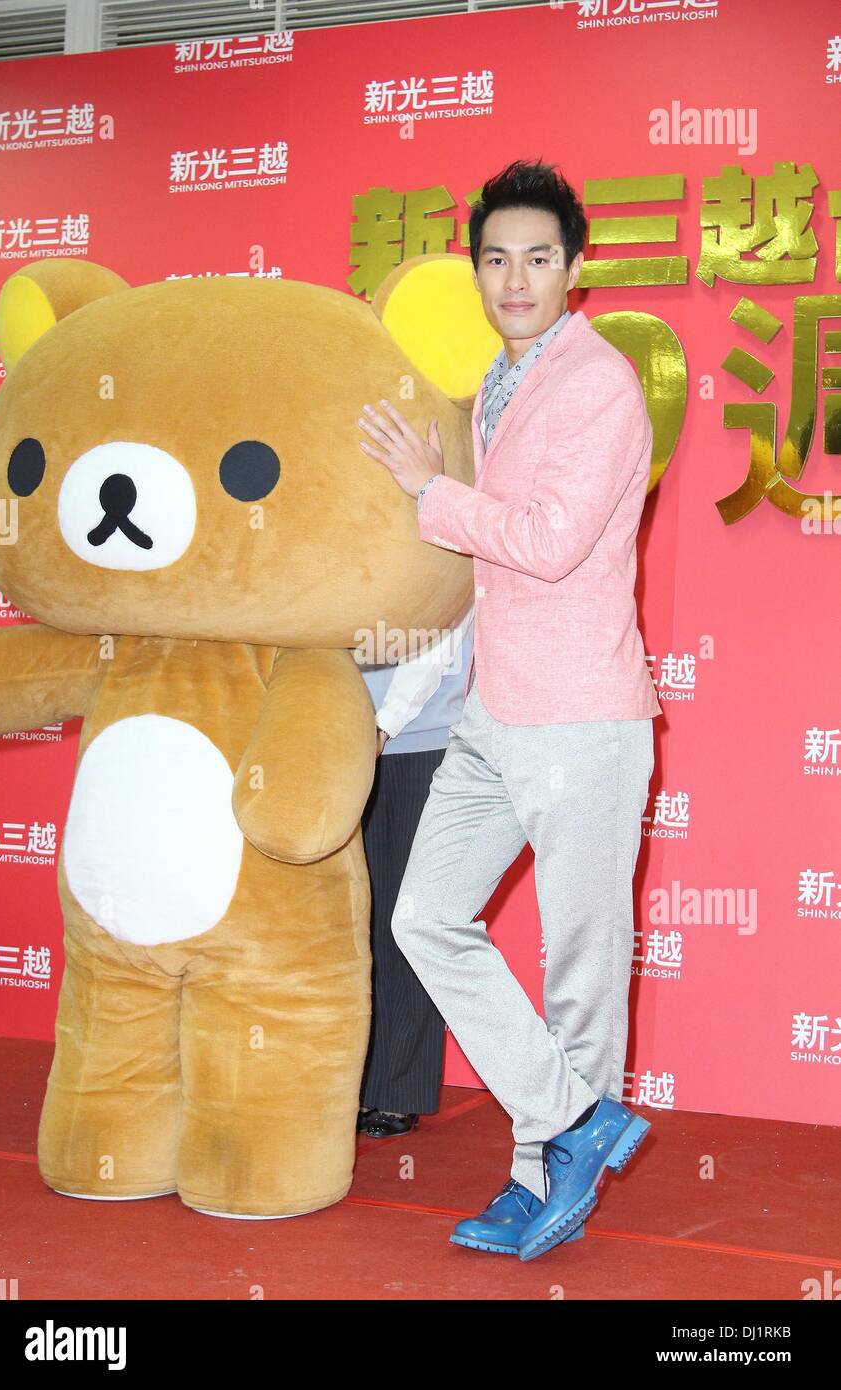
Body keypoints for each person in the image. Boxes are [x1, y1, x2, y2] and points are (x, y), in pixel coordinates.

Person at [357, 157, 662, 1262]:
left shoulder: (597, 386)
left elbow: (544, 541)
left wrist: (427, 492)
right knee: (422, 913)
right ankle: (573, 1123)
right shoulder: (501, 377)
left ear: (575, 271)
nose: (514, 278)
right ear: (475, 272)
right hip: (496, 711)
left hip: (579, 717)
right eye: (495, 259)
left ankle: (544, 1180)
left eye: (538, 258)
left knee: (578, 967)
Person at [356, 603, 474, 1139]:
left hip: (415, 744)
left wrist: (381, 728)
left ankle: (395, 1090)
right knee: (349, 917)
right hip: (337, 740)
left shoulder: (449, 535)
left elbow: (435, 647)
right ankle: (348, 1080)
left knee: (403, 918)